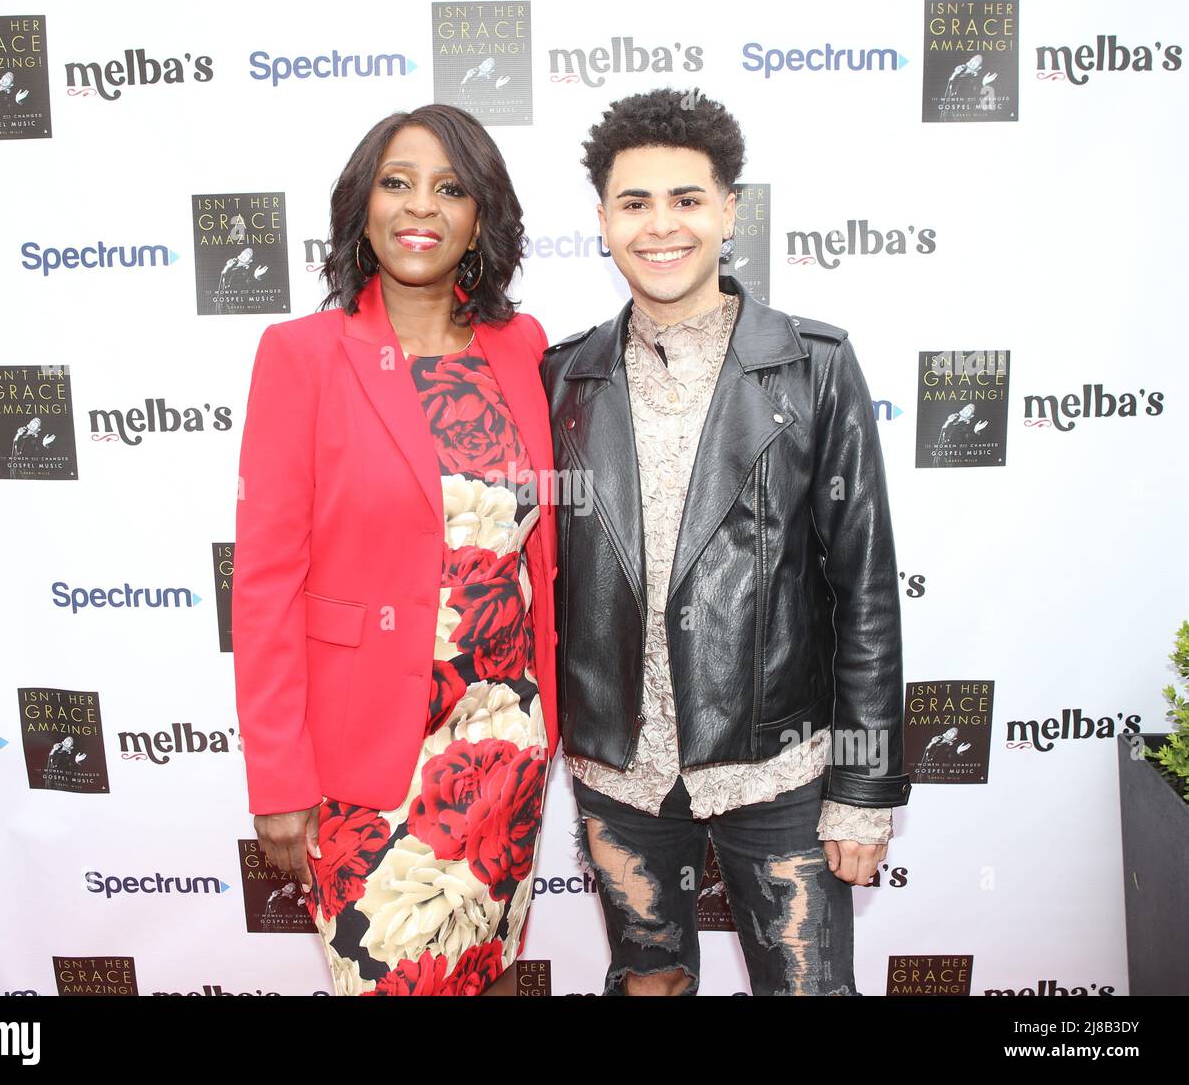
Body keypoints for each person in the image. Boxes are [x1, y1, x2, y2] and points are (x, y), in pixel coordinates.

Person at [540, 88, 912, 996]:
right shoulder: (562, 377)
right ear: (602, 221)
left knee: (809, 988)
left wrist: (863, 790)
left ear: (728, 209)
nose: (660, 225)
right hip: (619, 770)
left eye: (686, 199)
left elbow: (863, 589)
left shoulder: (813, 364)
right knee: (647, 982)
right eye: (634, 203)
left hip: (779, 766)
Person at [232, 103, 559, 996]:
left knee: (488, 975)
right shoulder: (302, 355)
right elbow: (262, 584)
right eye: (398, 182)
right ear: (362, 207)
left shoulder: (519, 347)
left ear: (481, 217)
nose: (422, 206)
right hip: (368, 767)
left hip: (505, 743)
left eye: (451, 188)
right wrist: (278, 778)